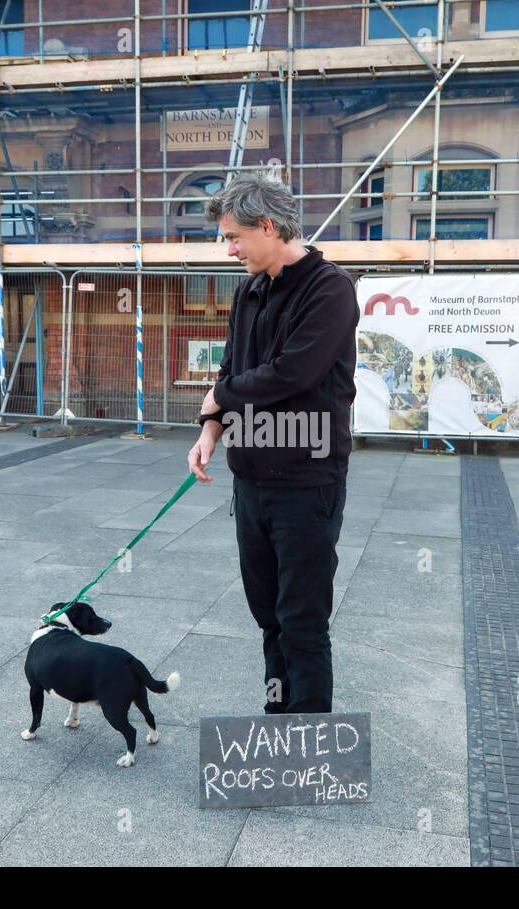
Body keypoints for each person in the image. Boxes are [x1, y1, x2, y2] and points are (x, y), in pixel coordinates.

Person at [186, 174, 359, 715]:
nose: (230, 249)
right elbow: (233, 367)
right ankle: (277, 712)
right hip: (252, 478)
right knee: (266, 611)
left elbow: (292, 374)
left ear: (268, 226)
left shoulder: (329, 287)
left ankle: (309, 732)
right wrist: (209, 428)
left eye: (235, 237)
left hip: (307, 479)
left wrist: (220, 396)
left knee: (302, 616)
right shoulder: (250, 288)